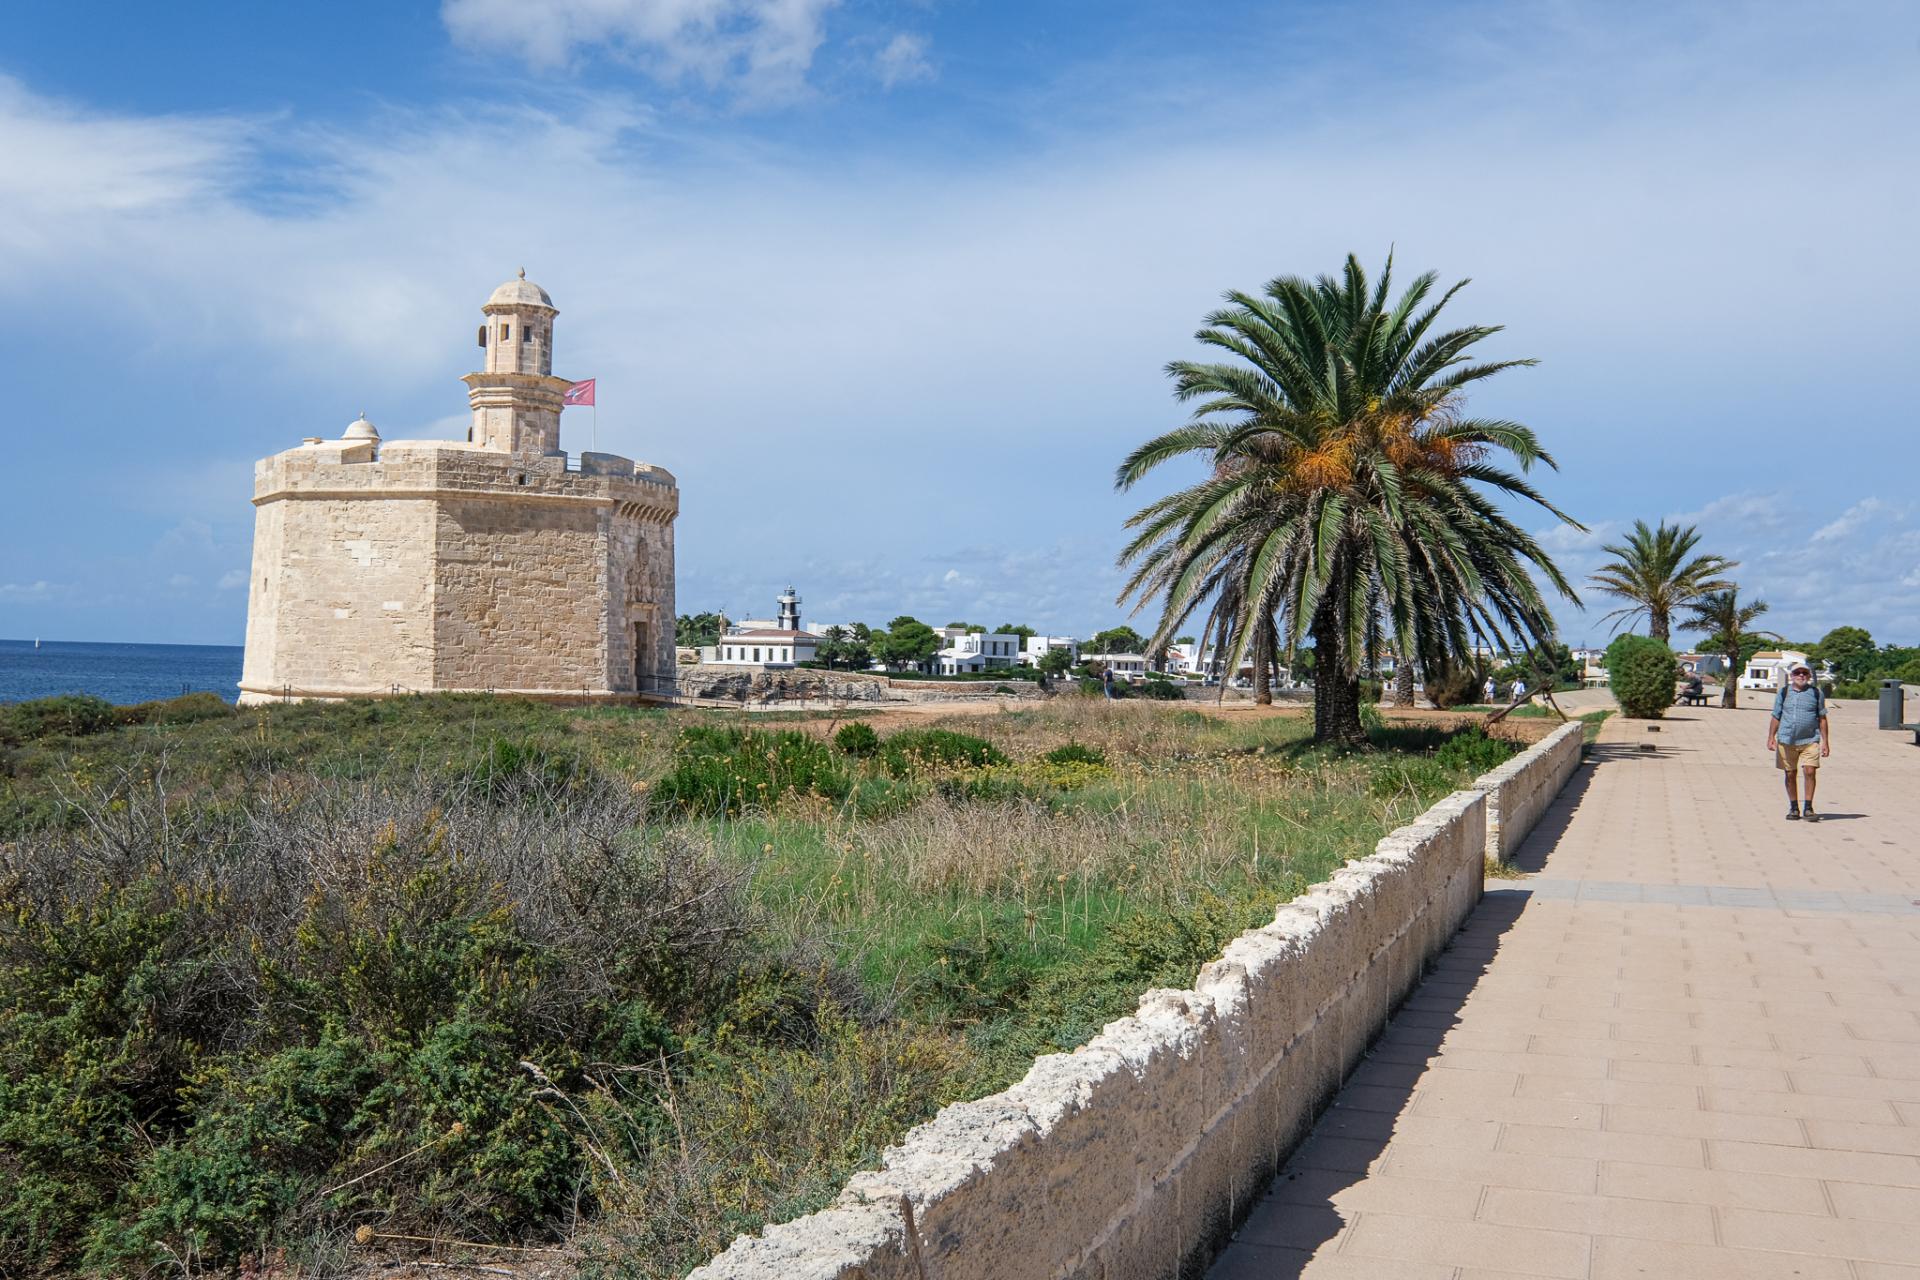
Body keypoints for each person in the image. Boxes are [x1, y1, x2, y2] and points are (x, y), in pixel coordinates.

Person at [1767, 662, 1830, 821]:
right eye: (1797, 672)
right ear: (1792, 675)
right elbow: (1776, 716)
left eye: (1804, 673)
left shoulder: (1816, 693)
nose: (1801, 675)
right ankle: (1794, 807)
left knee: (1810, 771)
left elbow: (1822, 718)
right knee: (1790, 774)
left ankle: (1808, 807)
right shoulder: (1783, 693)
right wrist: (1771, 737)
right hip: (1786, 739)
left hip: (1810, 739)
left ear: (1809, 675)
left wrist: (1826, 742)